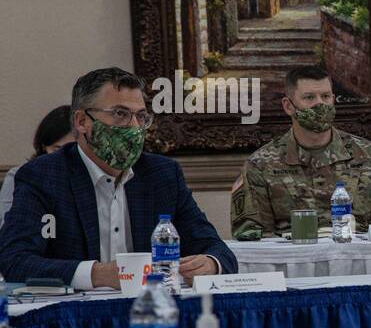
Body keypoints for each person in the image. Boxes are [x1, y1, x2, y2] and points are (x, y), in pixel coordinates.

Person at [0, 67, 236, 288]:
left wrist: (210, 264)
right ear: (82, 121)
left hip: (150, 305)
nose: (133, 127)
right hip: (74, 312)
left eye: (140, 116)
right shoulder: (43, 176)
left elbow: (216, 249)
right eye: (120, 114)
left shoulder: (162, 174)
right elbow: (14, 260)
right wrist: (97, 274)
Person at [230, 65, 371, 238]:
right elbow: (252, 236)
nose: (320, 104)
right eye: (309, 97)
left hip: (356, 252)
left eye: (325, 96)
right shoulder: (261, 164)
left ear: (333, 99)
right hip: (292, 253)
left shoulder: (370, 156)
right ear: (288, 106)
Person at [0, 105, 77, 231]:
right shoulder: (21, 175)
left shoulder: (94, 177)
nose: (64, 156)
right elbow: (8, 229)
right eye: (57, 149)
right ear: (44, 147)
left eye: (72, 149)